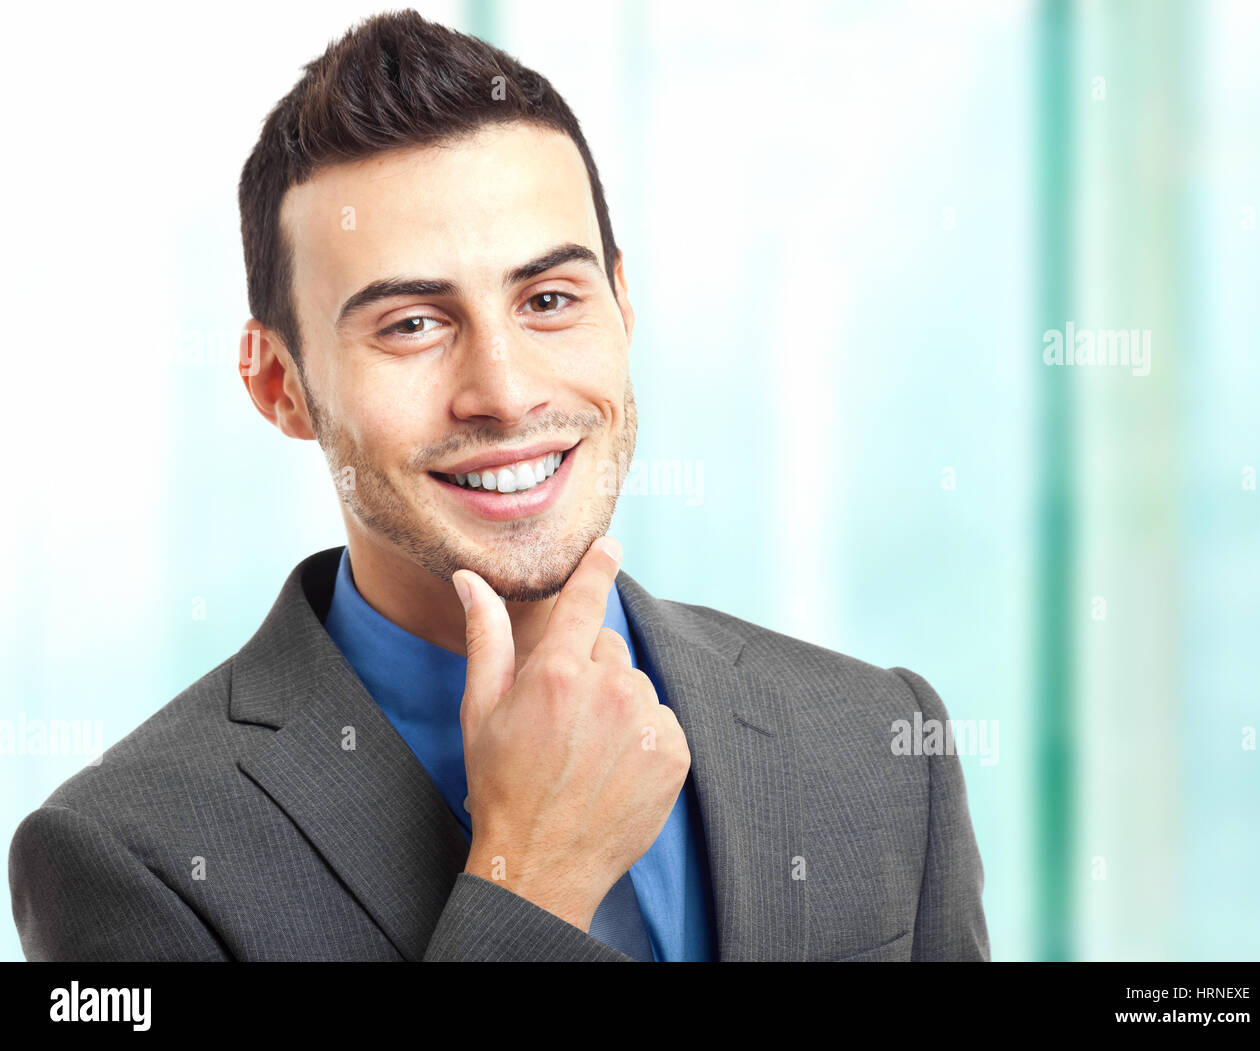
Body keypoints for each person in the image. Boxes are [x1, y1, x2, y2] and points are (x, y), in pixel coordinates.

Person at [9, 9, 989, 962]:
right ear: (281, 385)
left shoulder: (879, 744)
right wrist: (534, 883)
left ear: (622, 305)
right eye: (411, 324)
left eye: (550, 299)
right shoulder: (128, 855)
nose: (505, 393)